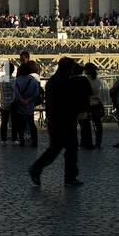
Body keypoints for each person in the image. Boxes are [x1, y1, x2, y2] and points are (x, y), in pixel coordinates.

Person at [28, 57, 90, 187]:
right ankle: (69, 177)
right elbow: (71, 101)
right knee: (69, 149)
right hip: (65, 121)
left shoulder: (53, 81)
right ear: (68, 69)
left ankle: (39, 169)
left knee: (56, 148)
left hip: (56, 120)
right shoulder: (65, 83)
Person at [12, 61, 43, 149]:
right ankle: (35, 141)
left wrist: (22, 100)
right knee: (31, 124)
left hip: (20, 106)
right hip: (29, 106)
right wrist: (28, 101)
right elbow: (36, 94)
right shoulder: (33, 81)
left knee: (21, 125)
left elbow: (16, 93)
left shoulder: (17, 80)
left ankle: (22, 141)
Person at [82, 61, 107, 150]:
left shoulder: (86, 80)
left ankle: (85, 141)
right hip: (97, 103)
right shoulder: (98, 80)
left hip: (89, 104)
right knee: (98, 124)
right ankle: (98, 142)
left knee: (86, 124)